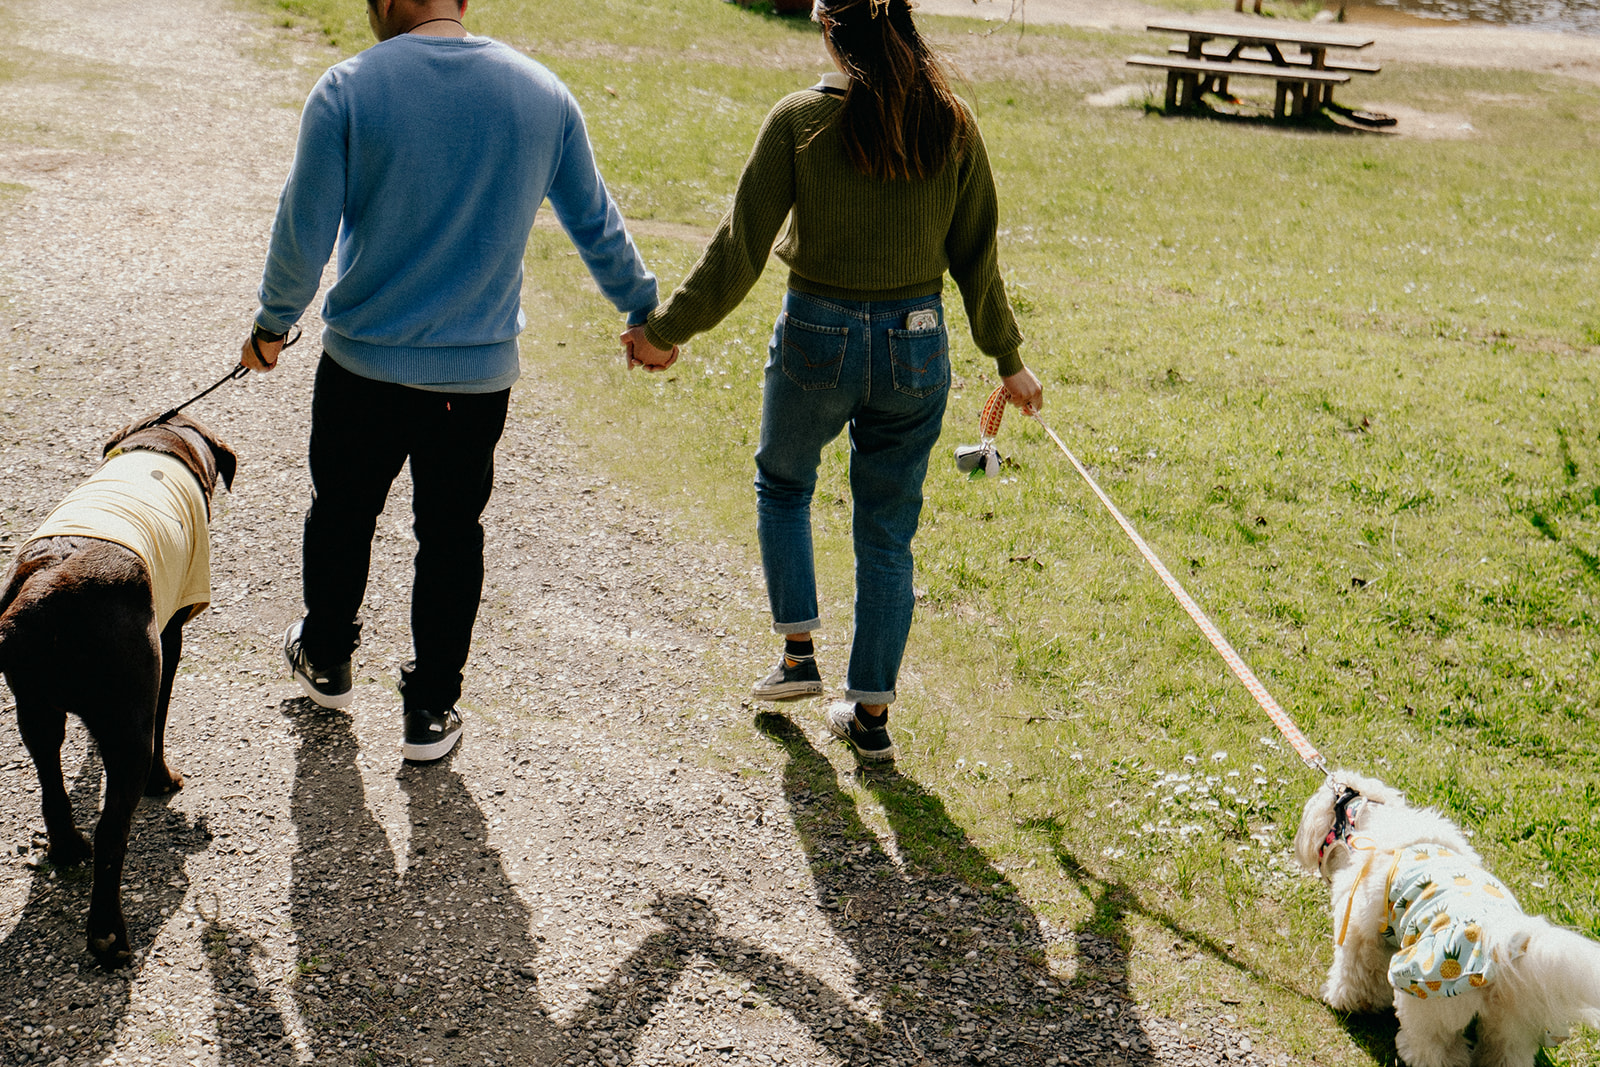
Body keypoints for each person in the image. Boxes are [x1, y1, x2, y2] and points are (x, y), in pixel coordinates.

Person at [243, 0, 663, 761]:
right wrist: (643, 310)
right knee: (450, 535)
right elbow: (594, 221)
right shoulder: (541, 93)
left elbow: (303, 230)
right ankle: (431, 709)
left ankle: (328, 657)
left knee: (342, 511)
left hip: (362, 364)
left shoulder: (348, 87)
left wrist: (272, 326)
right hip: (473, 381)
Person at [624, 0, 1042, 762]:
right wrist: (1008, 360)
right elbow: (978, 253)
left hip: (817, 333)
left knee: (783, 484)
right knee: (888, 527)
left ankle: (797, 659)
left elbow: (739, 248)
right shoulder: (952, 122)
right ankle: (872, 714)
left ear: (828, 28)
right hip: (916, 343)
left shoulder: (797, 120)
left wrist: (662, 333)